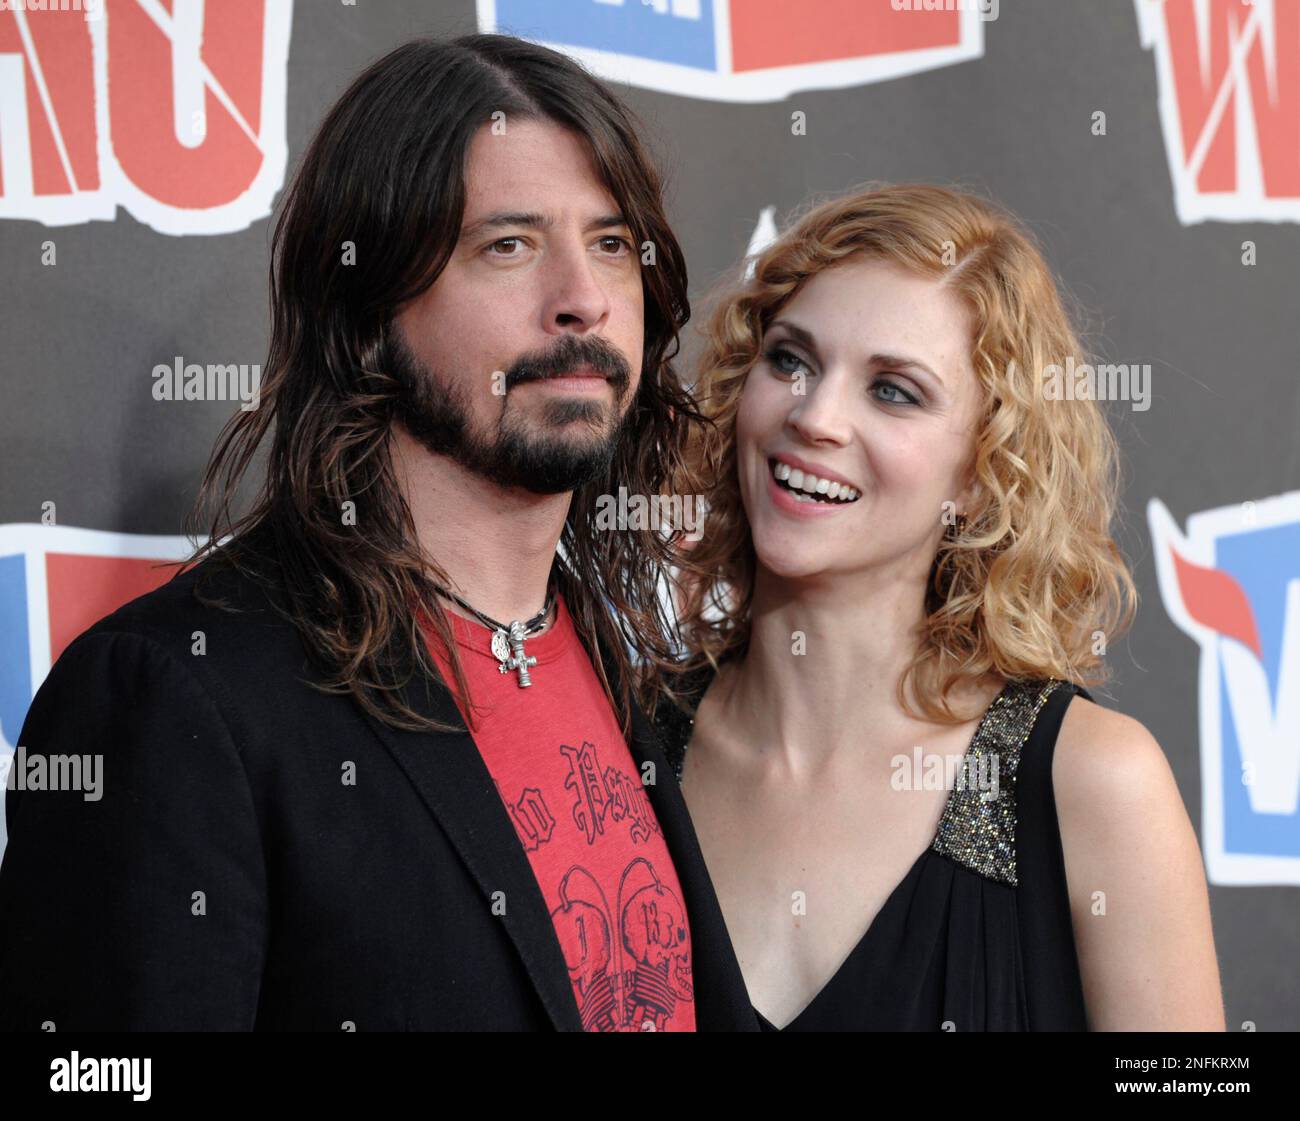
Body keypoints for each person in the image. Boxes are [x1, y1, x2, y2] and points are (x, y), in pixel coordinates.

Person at [0, 34, 757, 1032]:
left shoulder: (614, 659)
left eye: (612, 242)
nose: (583, 295)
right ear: (367, 315)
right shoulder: (176, 691)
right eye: (509, 244)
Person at [649, 183, 1226, 1031]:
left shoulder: (1092, 784)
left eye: (894, 391)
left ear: (982, 473)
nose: (815, 416)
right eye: (791, 360)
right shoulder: (626, 747)